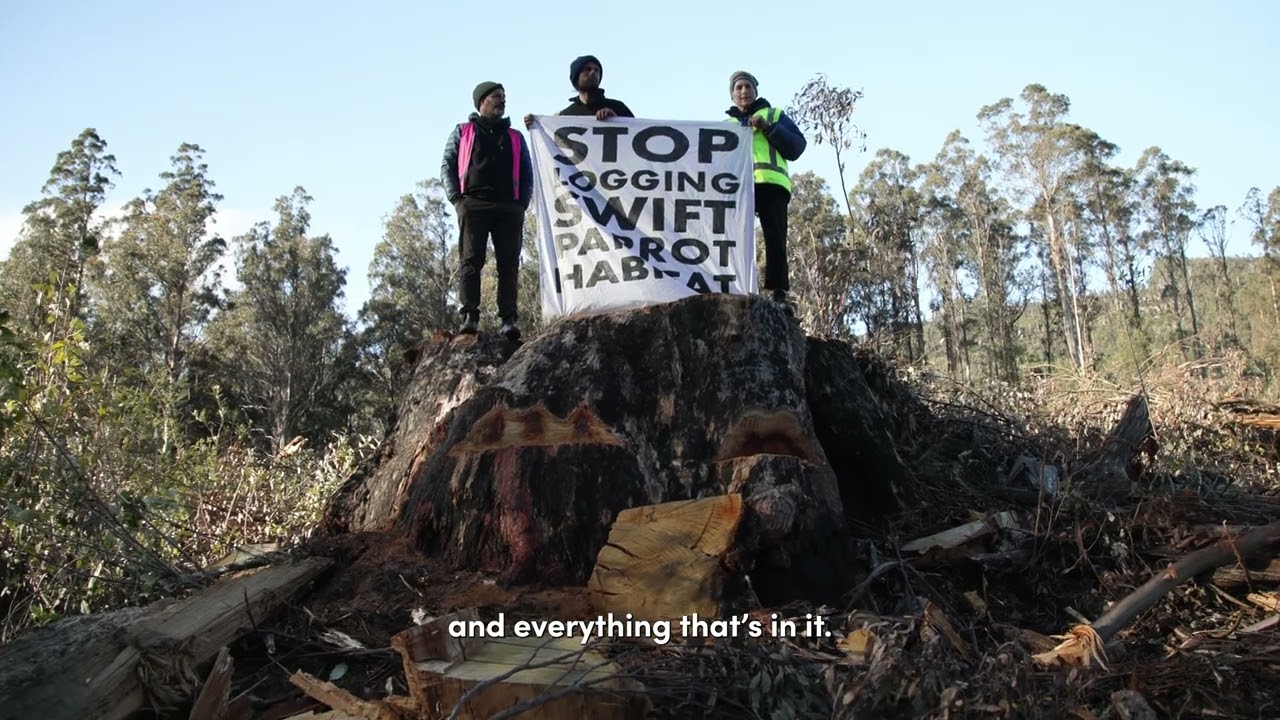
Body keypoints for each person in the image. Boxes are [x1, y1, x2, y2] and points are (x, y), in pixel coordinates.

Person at [441, 81, 533, 340]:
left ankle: (508, 320)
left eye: (504, 96)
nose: (502, 100)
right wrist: (457, 199)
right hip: (473, 203)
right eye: (496, 96)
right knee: (471, 261)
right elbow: (447, 164)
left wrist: (521, 203)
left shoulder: (515, 137)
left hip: (509, 207)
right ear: (481, 102)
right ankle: (469, 315)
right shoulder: (463, 131)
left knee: (509, 263)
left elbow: (527, 172)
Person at [725, 70, 807, 313]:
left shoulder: (774, 115)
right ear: (732, 95)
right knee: (736, 239)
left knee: (775, 238)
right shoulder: (726, 125)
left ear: (756, 91)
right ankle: (738, 287)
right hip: (739, 189)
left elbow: (796, 147)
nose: (743, 91)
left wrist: (768, 128)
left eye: (748, 86)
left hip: (772, 184)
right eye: (738, 87)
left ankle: (778, 292)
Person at [523, 55, 634, 128]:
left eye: (597, 70)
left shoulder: (618, 107)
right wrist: (536, 126)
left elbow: (636, 137)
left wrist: (617, 120)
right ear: (576, 76)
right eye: (587, 69)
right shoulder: (565, 116)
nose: (593, 73)